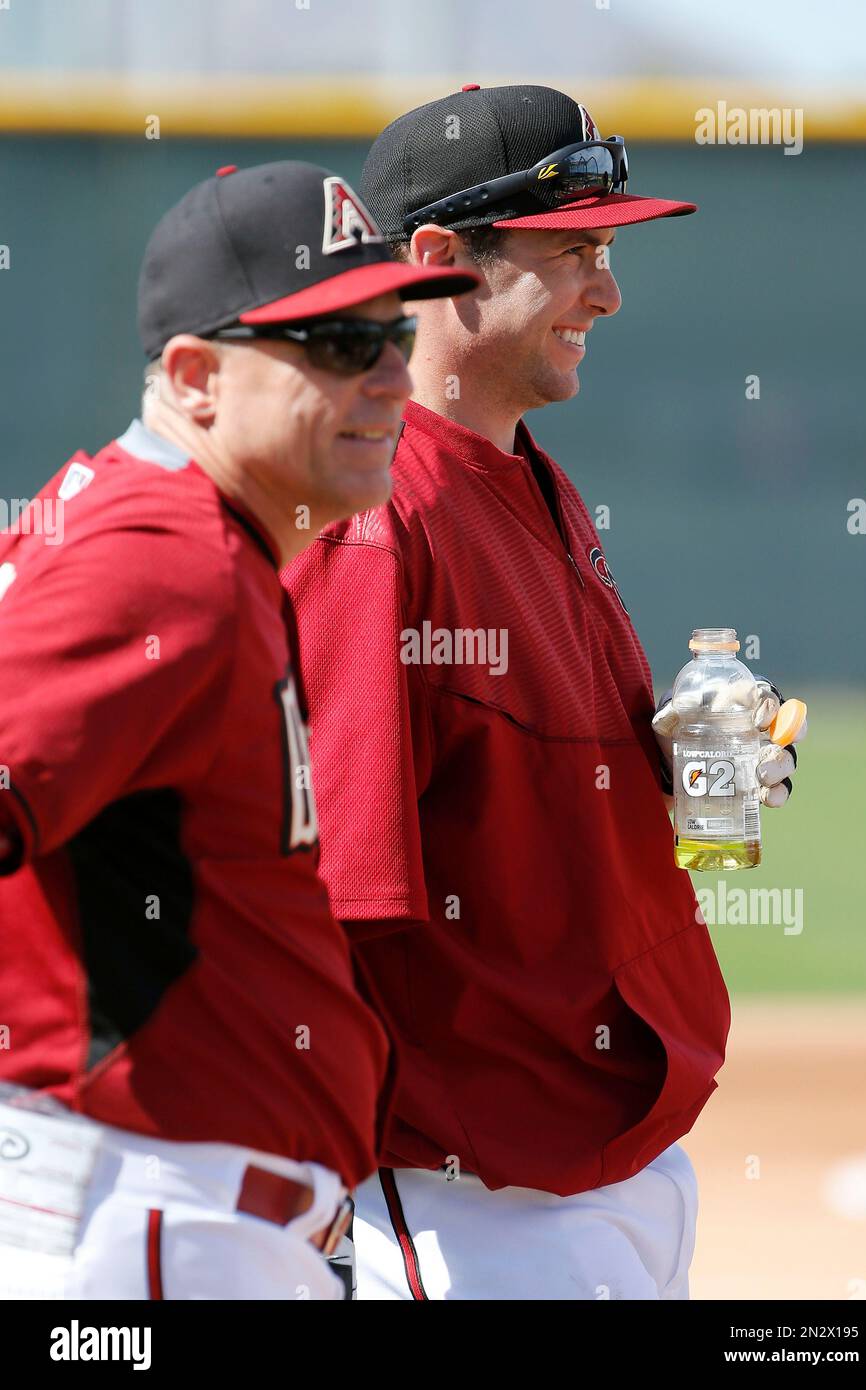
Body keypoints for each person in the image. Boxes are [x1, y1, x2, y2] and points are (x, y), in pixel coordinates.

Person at [282, 88, 807, 1300]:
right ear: (433, 263)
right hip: (471, 1195)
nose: (607, 293)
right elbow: (331, 901)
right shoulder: (378, 512)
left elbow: (504, 782)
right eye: (573, 252)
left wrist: (661, 765)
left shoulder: (525, 474)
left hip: (608, 1158)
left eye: (607, 250)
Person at [0, 159, 477, 1301]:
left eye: (395, 336)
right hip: (151, 1205)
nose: (392, 378)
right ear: (196, 376)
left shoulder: (176, 530)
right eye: (337, 344)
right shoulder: (164, 559)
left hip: (179, 1203)